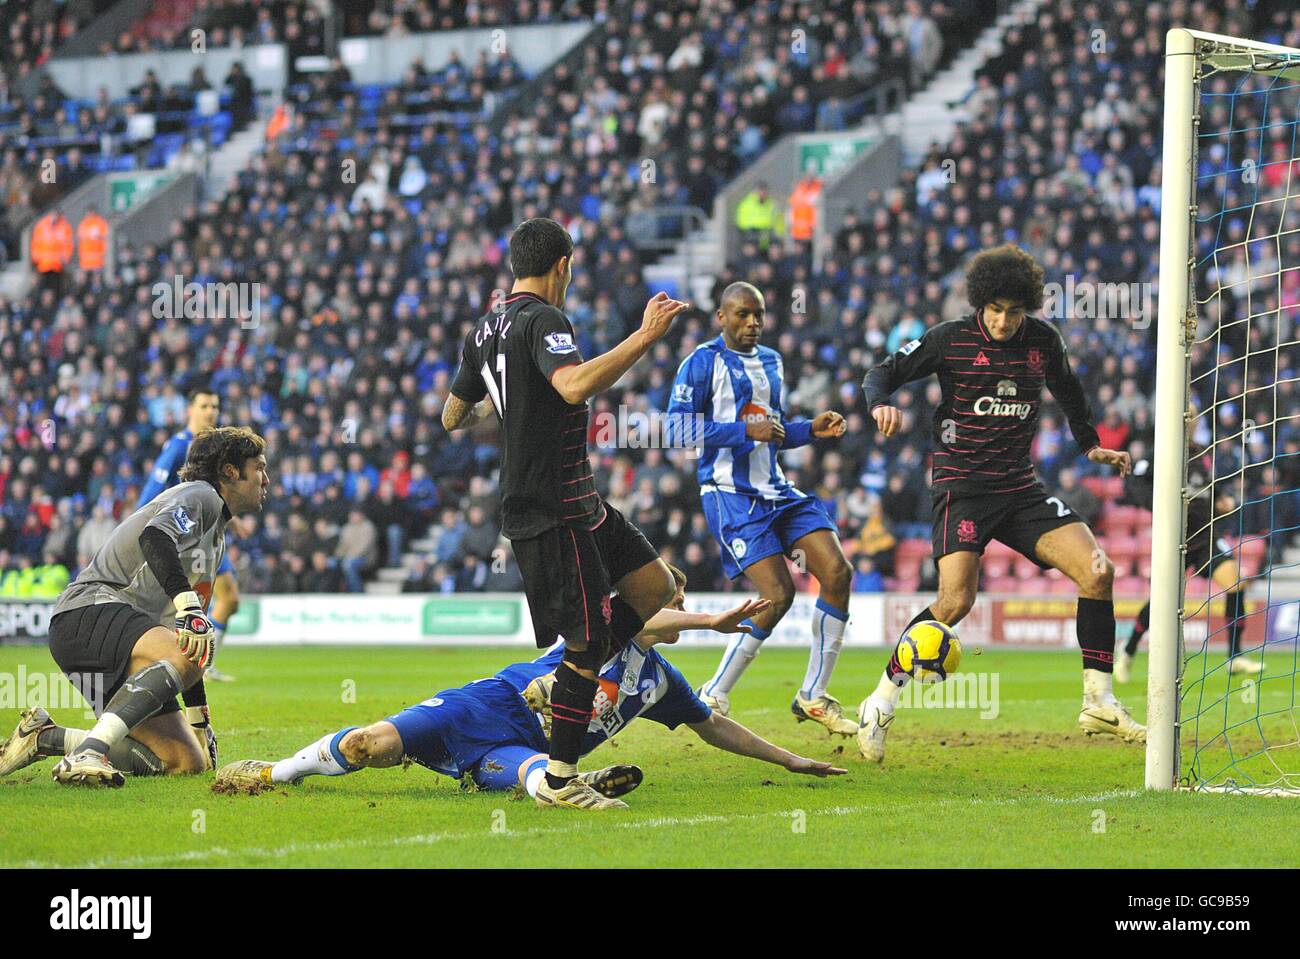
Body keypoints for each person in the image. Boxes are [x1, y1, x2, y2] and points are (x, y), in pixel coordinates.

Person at [857, 244, 1142, 763]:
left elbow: (1071, 391)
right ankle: (880, 702)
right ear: (980, 303)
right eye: (996, 309)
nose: (1005, 320)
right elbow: (881, 373)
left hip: (1019, 488)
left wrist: (1089, 444)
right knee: (954, 604)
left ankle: (1098, 700)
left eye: (1015, 310)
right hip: (962, 487)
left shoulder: (1042, 342)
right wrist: (879, 404)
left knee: (1098, 571)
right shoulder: (950, 340)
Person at [441, 217, 690, 810]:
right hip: (549, 507)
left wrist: (510, 407)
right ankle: (559, 779)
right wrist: (643, 337)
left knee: (655, 585)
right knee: (585, 646)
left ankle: (559, 686)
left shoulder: (484, 329)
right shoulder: (544, 319)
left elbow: (454, 414)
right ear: (562, 265)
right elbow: (575, 386)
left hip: (579, 500)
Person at [213, 570, 845, 800]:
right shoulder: (606, 624)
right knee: (369, 746)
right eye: (674, 599)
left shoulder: (660, 684)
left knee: (541, 780)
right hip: (481, 706)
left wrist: (790, 759)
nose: (676, 607)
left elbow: (715, 726)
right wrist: (709, 618)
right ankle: (276, 773)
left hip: (517, 747)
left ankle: (574, 781)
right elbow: (650, 619)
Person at [0, 428, 269, 786]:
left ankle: (45, 737)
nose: (266, 479)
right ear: (231, 471)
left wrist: (199, 721)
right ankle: (89, 752)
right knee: (189, 651)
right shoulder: (200, 495)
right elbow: (155, 536)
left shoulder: (215, 537)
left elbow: (188, 639)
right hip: (89, 611)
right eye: (259, 467)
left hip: (106, 631)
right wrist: (187, 602)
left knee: (185, 760)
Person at [668, 281, 857, 735]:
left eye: (759, 315)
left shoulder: (772, 361)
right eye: (742, 315)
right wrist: (740, 432)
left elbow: (772, 432)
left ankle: (812, 695)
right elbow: (676, 428)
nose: (752, 323)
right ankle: (713, 692)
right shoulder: (700, 363)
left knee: (837, 573)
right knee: (780, 595)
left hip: (776, 490)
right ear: (721, 317)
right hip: (728, 495)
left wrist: (810, 429)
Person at [139, 387, 241, 682]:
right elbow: (150, 494)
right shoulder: (178, 447)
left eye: (215, 406)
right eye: (205, 405)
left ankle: (201, 666)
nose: (211, 411)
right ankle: (179, 666)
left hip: (208, 537)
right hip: (185, 541)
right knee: (197, 604)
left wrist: (233, 520)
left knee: (226, 599)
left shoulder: (213, 450)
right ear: (190, 411)